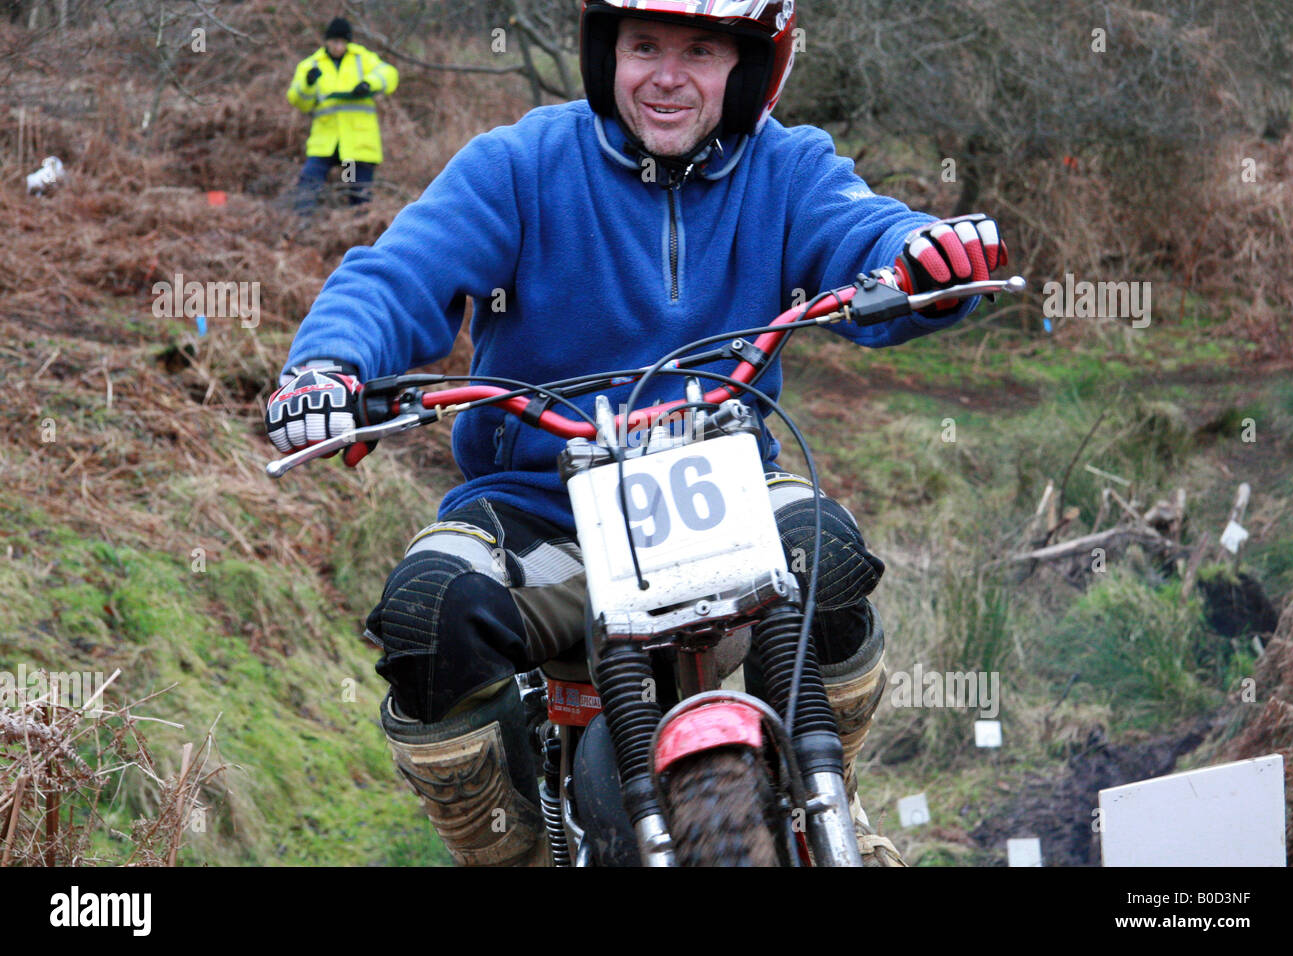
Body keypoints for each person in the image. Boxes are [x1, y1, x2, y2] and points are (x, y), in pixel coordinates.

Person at [265, 0, 1008, 867]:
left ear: (747, 70)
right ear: (602, 54)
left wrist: (926, 254)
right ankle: (514, 854)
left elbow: (864, 228)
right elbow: (397, 274)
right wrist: (329, 369)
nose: (665, 75)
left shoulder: (788, 169)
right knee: (432, 613)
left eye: (698, 50)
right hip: (541, 516)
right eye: (643, 45)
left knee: (825, 551)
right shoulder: (520, 165)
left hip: (727, 495)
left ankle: (823, 805)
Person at [286, 17, 398, 213]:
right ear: (327, 41)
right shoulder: (312, 64)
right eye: (334, 42)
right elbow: (298, 100)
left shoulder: (361, 58)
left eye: (342, 42)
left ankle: (351, 231)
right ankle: (301, 227)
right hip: (327, 142)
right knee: (309, 182)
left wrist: (368, 84)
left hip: (354, 143)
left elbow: (389, 74)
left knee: (355, 190)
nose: (338, 46)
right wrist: (308, 83)